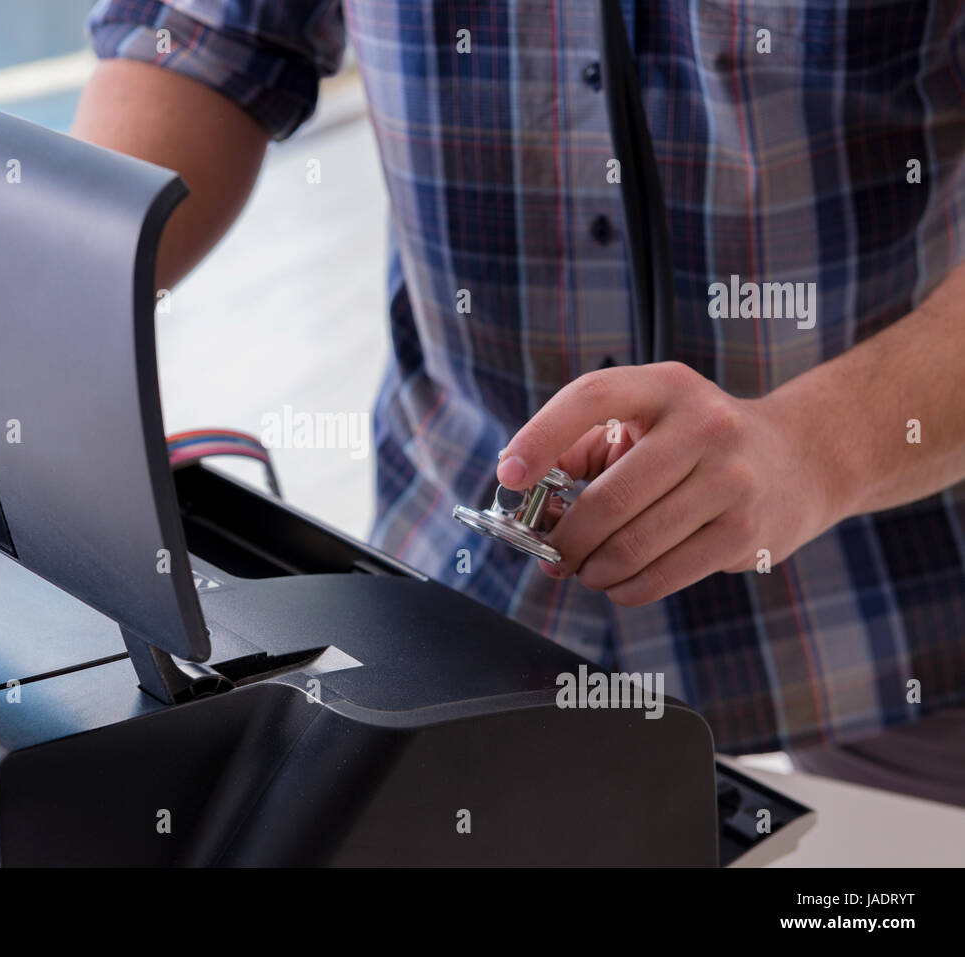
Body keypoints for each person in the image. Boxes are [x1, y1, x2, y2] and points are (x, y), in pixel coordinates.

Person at [71, 0, 965, 806]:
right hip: (464, 599)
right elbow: (199, 46)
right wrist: (37, 291)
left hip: (897, 609)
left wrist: (814, 448)